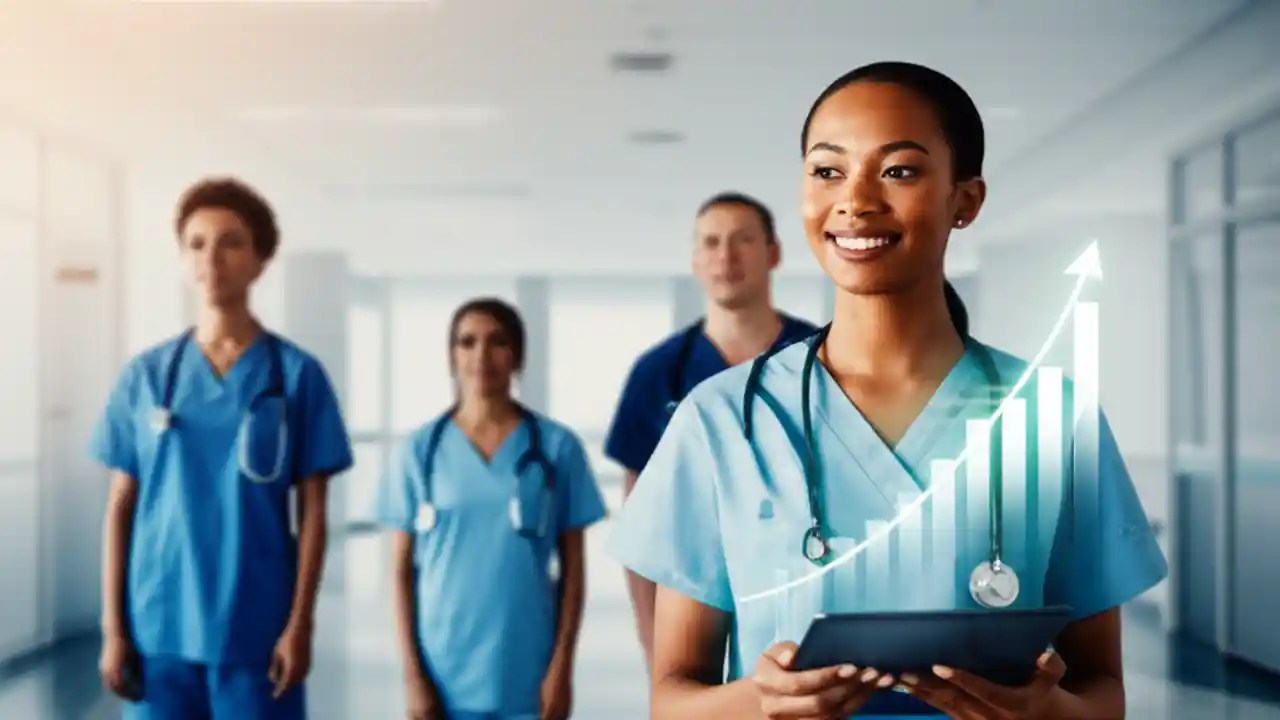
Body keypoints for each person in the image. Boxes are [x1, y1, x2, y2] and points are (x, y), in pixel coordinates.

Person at [607, 61, 1168, 719]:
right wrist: (765, 701)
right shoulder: (725, 417)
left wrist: (1043, 713)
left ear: (966, 200)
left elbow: (1104, 693)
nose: (857, 200)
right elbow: (672, 700)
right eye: (827, 171)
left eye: (899, 170)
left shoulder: (1051, 419)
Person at [92, 177, 354, 719]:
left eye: (231, 242)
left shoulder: (297, 376)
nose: (212, 257)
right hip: (158, 629)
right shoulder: (147, 377)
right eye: (196, 242)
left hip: (256, 629)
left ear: (260, 260)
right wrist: (114, 629)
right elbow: (121, 507)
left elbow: (314, 515)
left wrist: (300, 624)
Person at [605, 191, 818, 671]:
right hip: (692, 597)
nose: (727, 256)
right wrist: (650, 635)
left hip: (801, 594)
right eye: (712, 242)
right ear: (696, 259)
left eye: (743, 240)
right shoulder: (659, 372)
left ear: (774, 253)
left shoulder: (822, 357)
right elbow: (644, 524)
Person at [376, 298, 608, 720]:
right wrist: (412, 676)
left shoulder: (557, 448)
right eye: (467, 342)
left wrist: (561, 668)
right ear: (451, 356)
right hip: (441, 670)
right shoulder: (418, 452)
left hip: (526, 667)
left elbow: (573, 570)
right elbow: (399, 573)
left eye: (497, 342)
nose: (481, 355)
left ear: (517, 355)